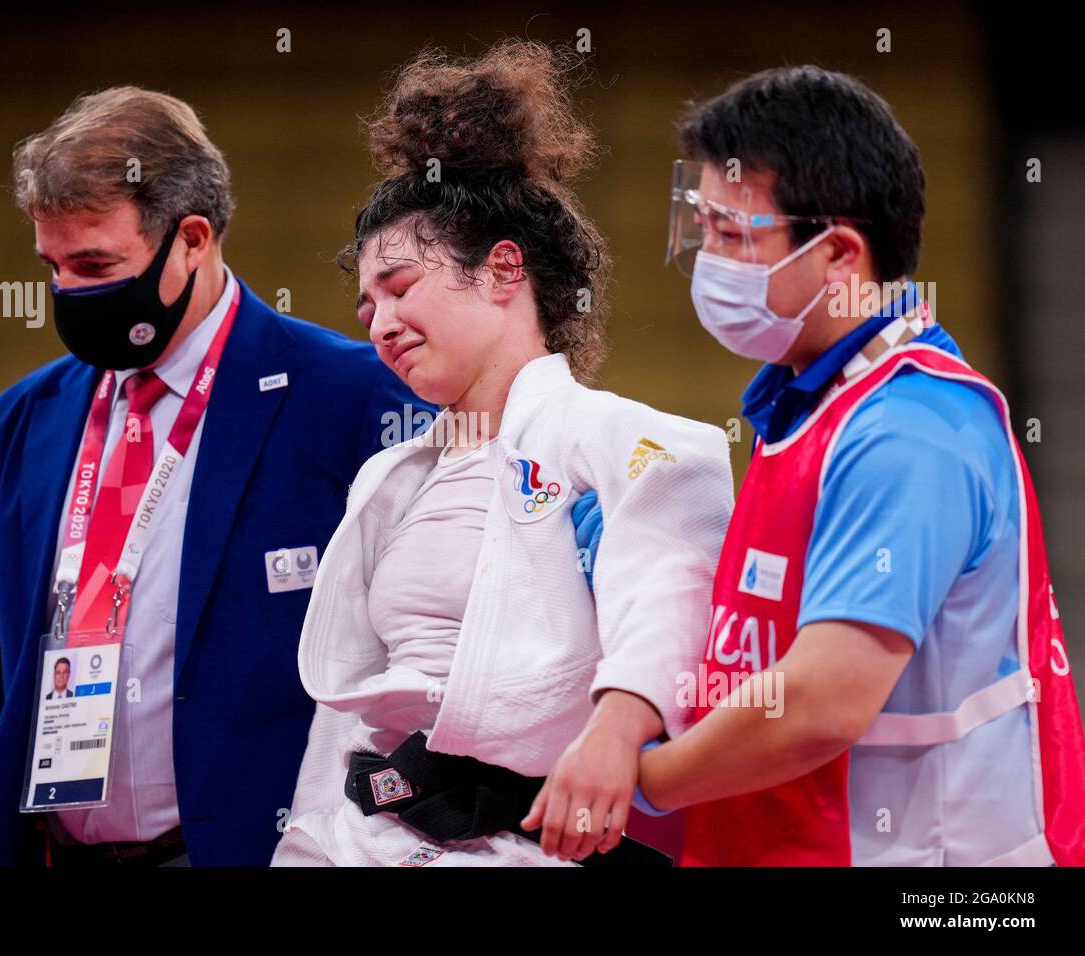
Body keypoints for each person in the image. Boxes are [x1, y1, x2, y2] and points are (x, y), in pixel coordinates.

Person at [580, 65, 1085, 865]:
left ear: (840, 254)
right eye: (701, 228)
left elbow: (823, 701)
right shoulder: (811, 405)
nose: (708, 261)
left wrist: (636, 781)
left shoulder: (908, 432)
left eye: (732, 236)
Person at [0, 87, 431, 867]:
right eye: (53, 267)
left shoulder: (351, 397)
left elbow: (420, 664)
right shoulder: (19, 423)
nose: (69, 292)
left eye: (95, 264)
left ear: (191, 239)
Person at [270, 41, 733, 867]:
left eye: (400, 288)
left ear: (502, 272)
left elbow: (671, 591)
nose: (380, 325)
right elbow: (345, 719)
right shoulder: (388, 480)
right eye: (366, 307)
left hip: (533, 841)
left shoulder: (619, 441)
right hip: (367, 838)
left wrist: (617, 729)